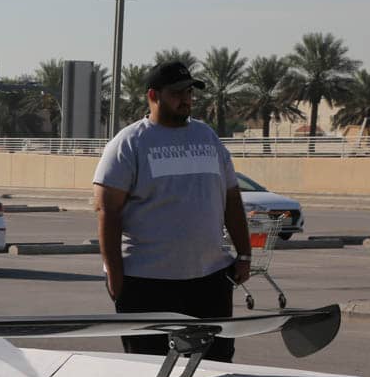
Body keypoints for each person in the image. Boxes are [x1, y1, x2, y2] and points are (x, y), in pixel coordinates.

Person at [93, 60, 252, 361]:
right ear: (153, 95)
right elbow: (106, 210)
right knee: (148, 367)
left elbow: (231, 197)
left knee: (216, 365)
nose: (187, 99)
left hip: (209, 280)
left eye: (190, 92)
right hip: (146, 283)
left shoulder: (207, 138)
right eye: (178, 93)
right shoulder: (129, 143)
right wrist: (114, 272)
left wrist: (244, 253)